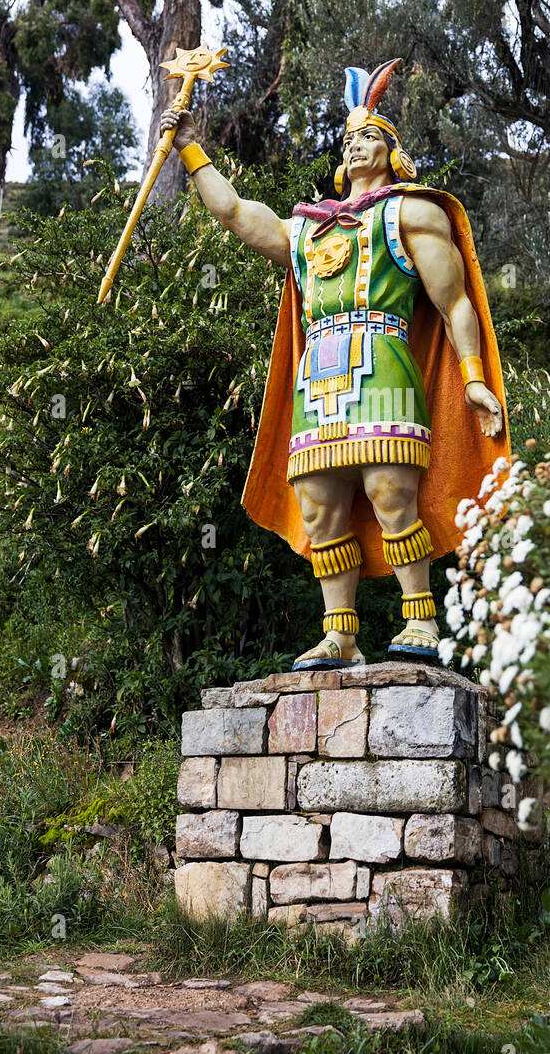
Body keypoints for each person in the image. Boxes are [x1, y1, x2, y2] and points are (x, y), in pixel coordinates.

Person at [160, 58, 511, 670]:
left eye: (369, 135)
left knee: (389, 491)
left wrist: (475, 379)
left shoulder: (412, 214)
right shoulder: (306, 228)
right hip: (318, 375)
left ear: (394, 153)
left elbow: (454, 303)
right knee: (321, 504)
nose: (355, 145)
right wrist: (191, 149)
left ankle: (420, 619)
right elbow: (237, 214)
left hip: (385, 363)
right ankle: (339, 635)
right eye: (348, 139)